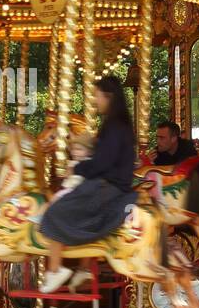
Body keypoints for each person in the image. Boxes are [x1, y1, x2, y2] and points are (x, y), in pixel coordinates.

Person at [38, 75, 137, 293]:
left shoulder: (114, 127)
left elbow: (103, 162)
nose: (94, 100)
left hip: (107, 186)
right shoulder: (118, 125)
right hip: (112, 184)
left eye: (97, 95)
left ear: (108, 96)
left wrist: (78, 168)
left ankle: (56, 270)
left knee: (55, 211)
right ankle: (82, 268)